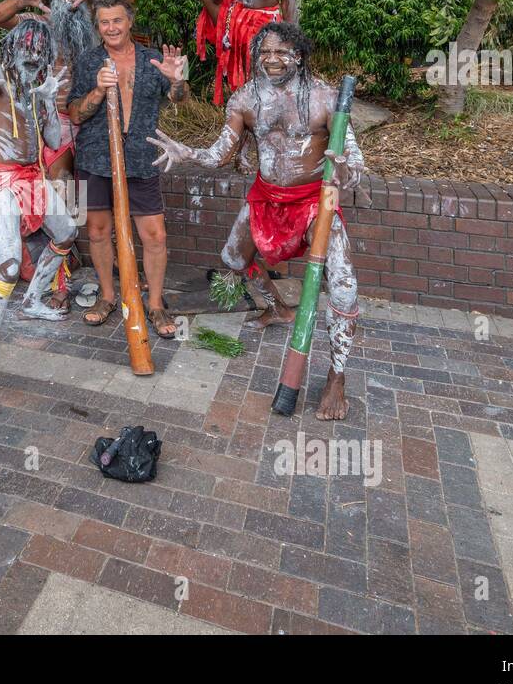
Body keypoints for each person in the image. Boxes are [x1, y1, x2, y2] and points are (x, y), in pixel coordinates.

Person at [148, 23, 365, 420]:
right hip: (266, 198)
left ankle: (336, 376)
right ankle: (279, 307)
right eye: (265, 52)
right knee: (232, 259)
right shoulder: (246, 98)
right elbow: (220, 154)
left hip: (315, 202)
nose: (272, 59)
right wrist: (187, 152)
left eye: (282, 52)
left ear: (299, 55)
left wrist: (344, 170)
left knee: (345, 290)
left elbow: (354, 164)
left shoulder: (326, 98)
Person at [0, 0, 136, 308]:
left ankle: (111, 263)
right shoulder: (39, 27)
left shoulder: (98, 26)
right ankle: (60, 281)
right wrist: (23, 0)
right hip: (52, 123)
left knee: (102, 194)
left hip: (95, 121)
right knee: (63, 189)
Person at [0, 19, 76, 414]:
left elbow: (55, 141)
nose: (32, 53)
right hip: (0, 183)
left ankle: (34, 299)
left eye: (39, 47)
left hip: (31, 177)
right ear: (11, 47)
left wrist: (48, 104)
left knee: (68, 230)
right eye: (25, 44)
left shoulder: (39, 86)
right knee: (5, 269)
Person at [67, 0, 189, 340]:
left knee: (155, 235)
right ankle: (107, 297)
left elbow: (179, 99)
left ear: (129, 22)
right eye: (104, 22)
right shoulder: (89, 61)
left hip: (141, 156)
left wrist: (177, 80)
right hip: (95, 157)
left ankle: (153, 303)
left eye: (117, 21)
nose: (111, 28)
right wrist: (96, 91)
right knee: (98, 232)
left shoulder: (152, 60)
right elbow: (75, 112)